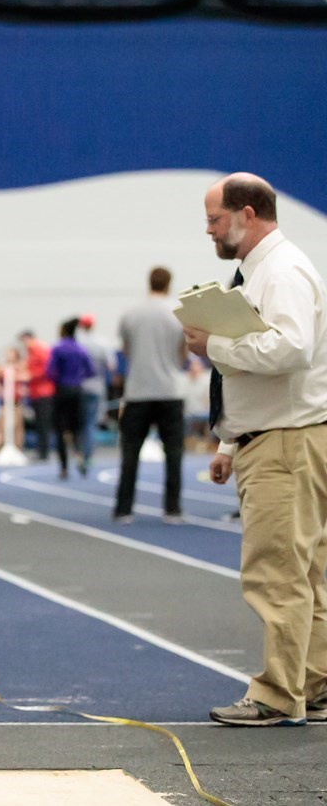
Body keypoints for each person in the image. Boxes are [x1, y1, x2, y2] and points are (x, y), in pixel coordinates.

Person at [184, 174, 327, 727]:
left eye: (214, 219)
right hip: (277, 436)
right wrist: (229, 439)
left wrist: (214, 345)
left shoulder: (282, 271)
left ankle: (278, 695)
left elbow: (292, 349)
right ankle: (313, 686)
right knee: (305, 573)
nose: (209, 231)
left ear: (247, 214)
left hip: (284, 443)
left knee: (277, 574)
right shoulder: (262, 270)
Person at [115, 266, 188, 524]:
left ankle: (123, 509)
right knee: (174, 453)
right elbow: (183, 352)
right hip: (170, 390)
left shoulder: (131, 313)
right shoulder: (179, 312)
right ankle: (172, 509)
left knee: (130, 453)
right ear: (169, 283)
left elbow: (126, 350)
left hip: (138, 391)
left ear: (149, 282)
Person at [45, 318, 96, 478]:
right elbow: (91, 371)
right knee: (78, 428)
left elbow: (49, 372)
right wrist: (77, 377)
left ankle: (64, 467)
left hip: (62, 391)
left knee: (60, 429)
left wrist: (59, 379)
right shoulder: (80, 349)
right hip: (77, 391)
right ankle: (80, 455)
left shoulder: (58, 348)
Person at [75, 314, 115, 472]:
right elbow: (111, 365)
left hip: (78, 388)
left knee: (79, 423)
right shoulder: (102, 343)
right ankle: (89, 455)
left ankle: (79, 453)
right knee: (91, 423)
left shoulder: (76, 342)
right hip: (96, 387)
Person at [19, 330, 55, 460]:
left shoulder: (40, 350)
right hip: (36, 392)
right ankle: (41, 450)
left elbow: (47, 369)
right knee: (39, 423)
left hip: (43, 392)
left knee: (43, 423)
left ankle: (44, 451)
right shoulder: (31, 353)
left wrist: (31, 375)